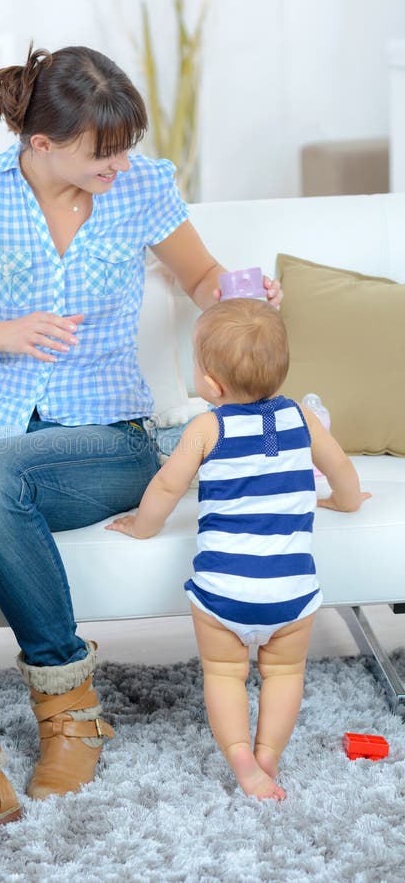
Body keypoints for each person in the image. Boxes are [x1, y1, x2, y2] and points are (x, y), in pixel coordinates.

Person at [0, 44, 284, 866]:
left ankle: (71, 711)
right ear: (41, 144)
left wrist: (239, 291)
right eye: (102, 151)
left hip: (108, 434)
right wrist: (0, 333)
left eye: (124, 145)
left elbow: (202, 279)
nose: (118, 164)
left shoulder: (140, 187)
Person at [107, 299, 370, 800]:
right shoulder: (301, 418)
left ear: (210, 384)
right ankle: (268, 753)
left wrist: (142, 528)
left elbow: (165, 488)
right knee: (285, 672)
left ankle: (240, 757)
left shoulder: (208, 427)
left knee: (225, 674)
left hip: (223, 589)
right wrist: (344, 502)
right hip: (291, 591)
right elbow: (341, 472)